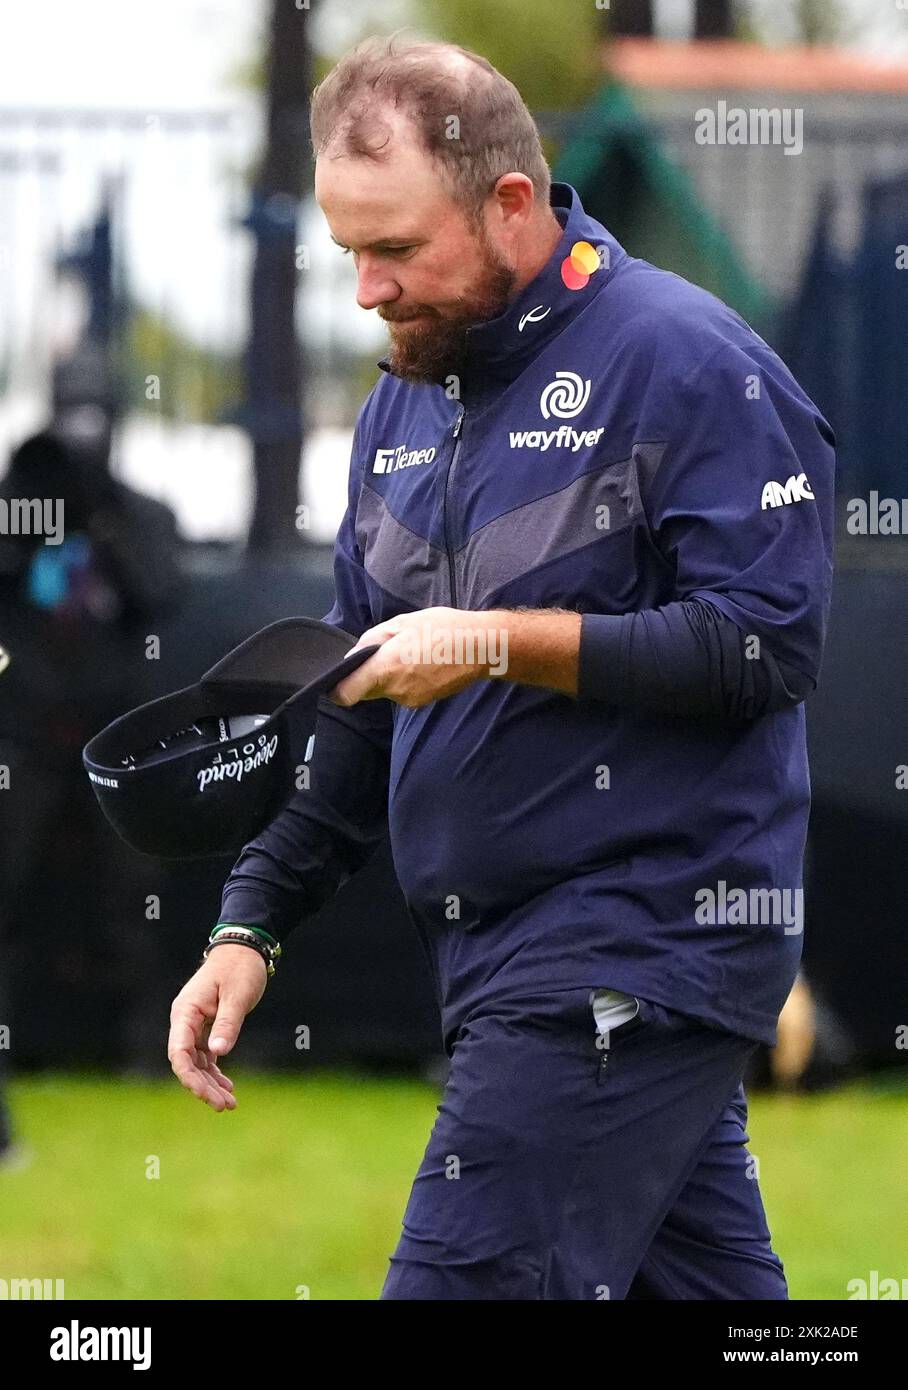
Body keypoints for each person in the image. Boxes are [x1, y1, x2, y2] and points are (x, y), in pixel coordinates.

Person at [168, 36, 835, 1300]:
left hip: (636, 944)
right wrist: (251, 920)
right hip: (497, 959)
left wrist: (491, 641)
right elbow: (359, 702)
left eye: (397, 249)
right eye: (347, 248)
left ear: (510, 204)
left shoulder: (690, 364)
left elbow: (767, 641)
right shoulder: (403, 401)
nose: (365, 288)